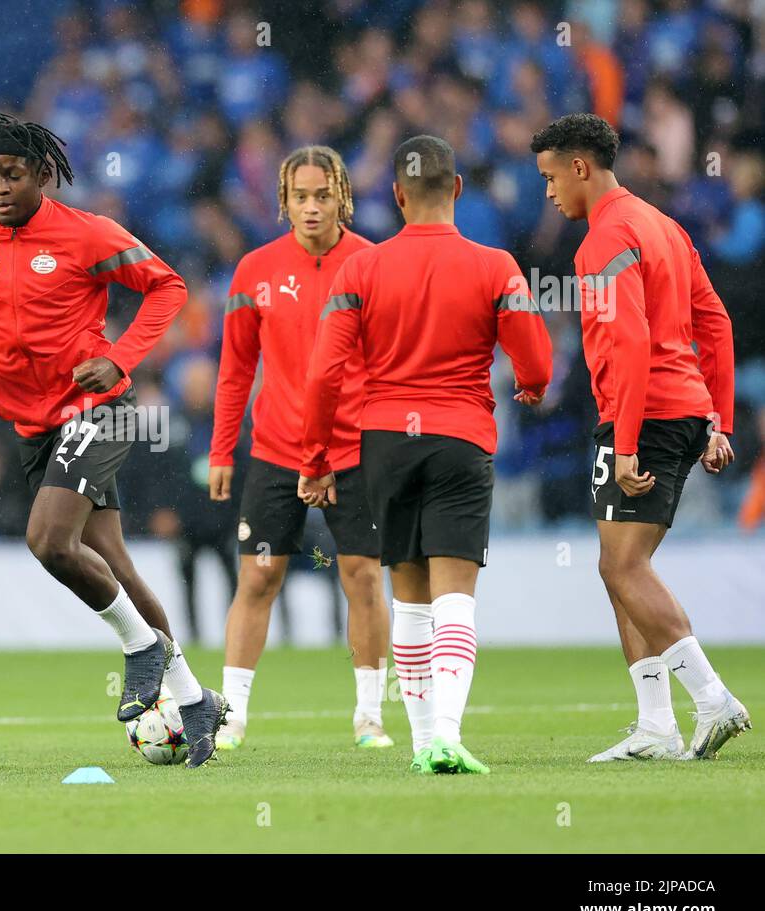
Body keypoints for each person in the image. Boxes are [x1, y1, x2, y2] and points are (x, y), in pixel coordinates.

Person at [0, 114, 227, 767]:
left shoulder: (88, 233)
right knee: (109, 556)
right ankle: (195, 702)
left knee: (49, 541)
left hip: (100, 407)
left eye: (13, 174)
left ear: (44, 175)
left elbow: (167, 287)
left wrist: (122, 359)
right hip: (30, 423)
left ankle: (141, 649)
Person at [299, 134, 553, 775]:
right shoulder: (495, 266)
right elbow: (538, 359)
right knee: (456, 599)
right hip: (460, 437)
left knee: (407, 597)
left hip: (384, 441)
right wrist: (531, 383)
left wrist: (315, 457)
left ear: (396, 195)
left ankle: (420, 745)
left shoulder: (360, 269)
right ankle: (447, 733)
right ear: (459, 189)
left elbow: (324, 373)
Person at [531, 112, 748, 761]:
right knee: (620, 568)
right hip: (681, 413)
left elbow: (625, 340)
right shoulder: (665, 227)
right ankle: (656, 724)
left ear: (580, 167)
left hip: (643, 415)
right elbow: (715, 324)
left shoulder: (604, 240)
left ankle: (711, 698)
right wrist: (719, 420)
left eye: (549, 178)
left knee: (622, 566)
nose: (548, 193)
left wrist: (624, 441)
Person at [208, 145, 392, 751]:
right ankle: (230, 715)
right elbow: (236, 370)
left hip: (356, 450)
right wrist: (220, 451)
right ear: (282, 202)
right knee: (259, 577)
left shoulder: (372, 263)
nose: (312, 208)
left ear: (342, 195)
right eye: (300, 197)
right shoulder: (254, 270)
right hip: (276, 450)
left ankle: (370, 716)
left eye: (322, 195)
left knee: (362, 576)